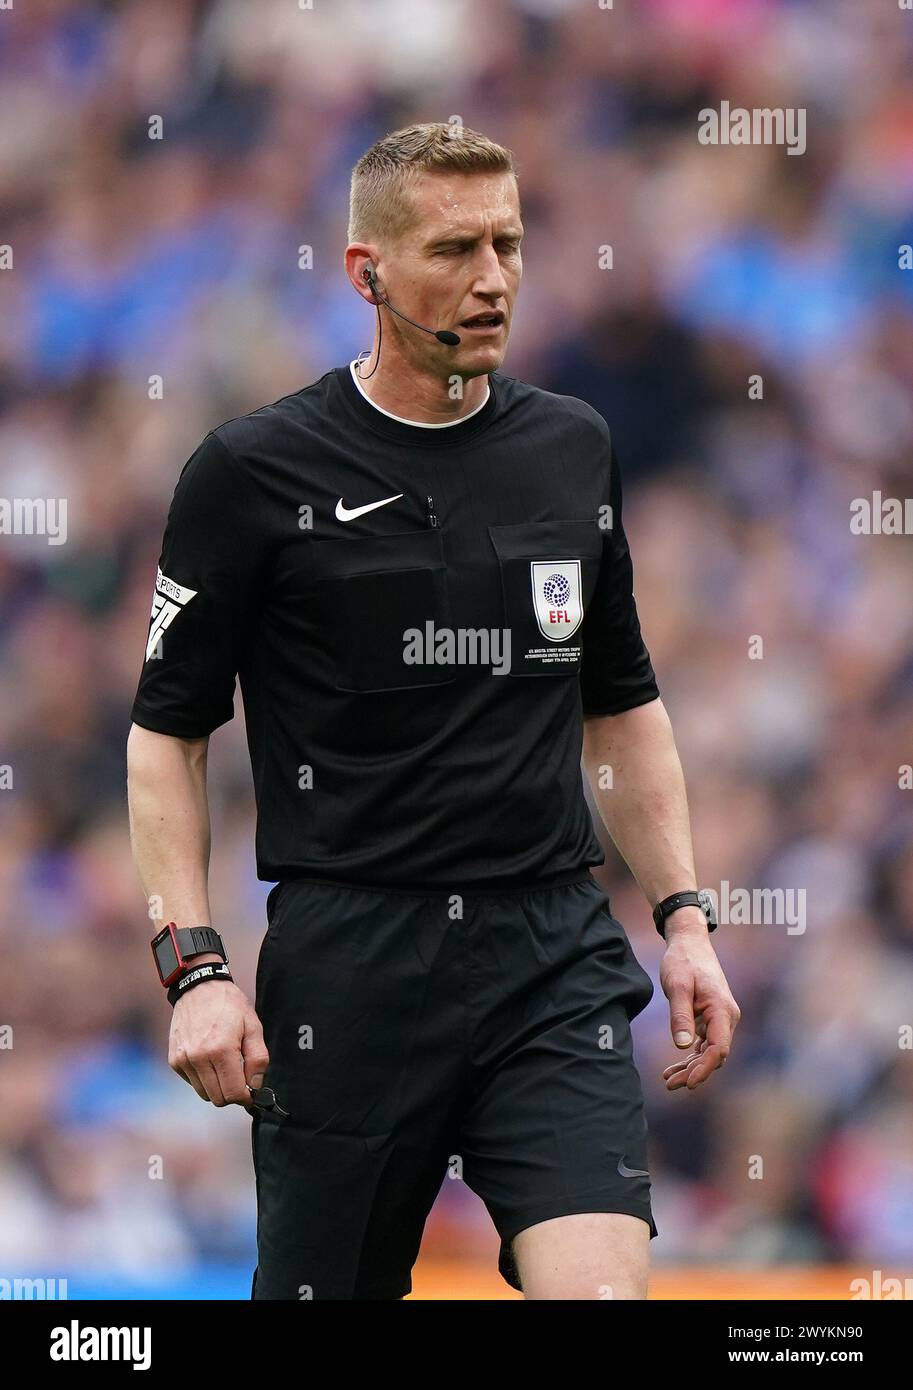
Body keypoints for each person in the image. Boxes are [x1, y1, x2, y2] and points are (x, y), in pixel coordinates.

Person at [126, 122, 740, 1301]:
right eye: (456, 248)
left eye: (509, 241)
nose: (495, 275)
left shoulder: (572, 446)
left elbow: (621, 707)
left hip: (548, 954)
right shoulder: (252, 473)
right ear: (366, 274)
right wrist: (192, 962)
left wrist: (682, 915)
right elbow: (169, 737)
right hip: (351, 967)